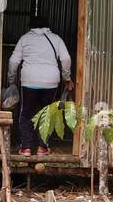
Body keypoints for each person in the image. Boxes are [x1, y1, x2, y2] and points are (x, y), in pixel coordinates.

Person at [7, 16, 72, 156]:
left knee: (26, 114)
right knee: (46, 113)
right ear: (47, 26)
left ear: (30, 27)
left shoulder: (24, 39)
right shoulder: (56, 39)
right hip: (51, 82)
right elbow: (66, 59)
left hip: (29, 81)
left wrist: (11, 80)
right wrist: (66, 77)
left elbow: (13, 61)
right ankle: (42, 147)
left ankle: (26, 148)